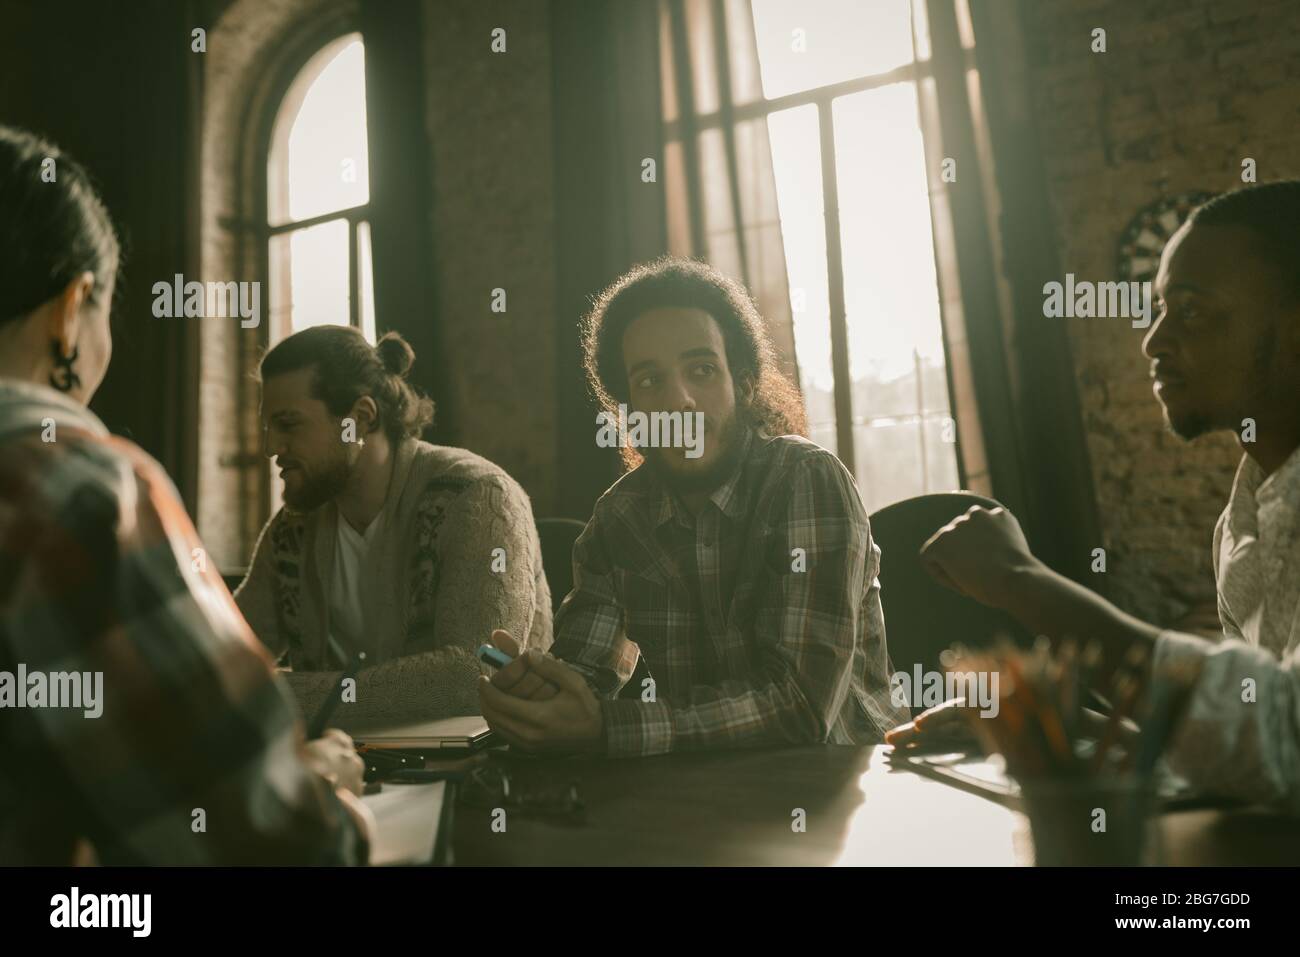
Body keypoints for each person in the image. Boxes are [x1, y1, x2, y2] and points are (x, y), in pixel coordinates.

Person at [0, 124, 370, 864]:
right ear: (74, 308)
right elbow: (270, 843)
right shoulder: (84, 491)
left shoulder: (464, 494)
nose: (271, 447)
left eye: (289, 424)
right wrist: (318, 788)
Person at [906, 181, 1300, 810]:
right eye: (1160, 308)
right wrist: (1066, 727)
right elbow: (1242, 758)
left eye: (1192, 310)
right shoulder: (1240, 523)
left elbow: (1284, 739)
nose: (1154, 341)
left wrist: (1018, 578)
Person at [478, 257, 909, 755]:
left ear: (743, 384)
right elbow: (585, 672)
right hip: (706, 798)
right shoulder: (619, 518)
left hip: (851, 786)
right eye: (649, 380)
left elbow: (801, 706)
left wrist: (605, 727)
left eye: (701, 370)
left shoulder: (806, 478)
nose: (677, 401)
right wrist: (542, 693)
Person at [236, 325, 551, 728]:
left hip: (476, 771)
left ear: (361, 418)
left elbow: (474, 673)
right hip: (339, 764)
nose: (271, 447)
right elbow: (222, 653)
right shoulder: (293, 528)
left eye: (289, 424)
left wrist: (269, 696)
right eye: (267, 427)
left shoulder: (478, 495)